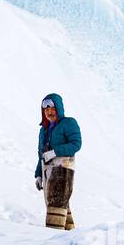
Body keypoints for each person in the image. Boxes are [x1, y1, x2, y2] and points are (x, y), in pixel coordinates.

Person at [35, 93, 81, 230]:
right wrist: (38, 175)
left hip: (63, 168)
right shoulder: (43, 130)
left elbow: (76, 144)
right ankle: (70, 235)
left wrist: (55, 152)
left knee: (56, 203)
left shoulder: (68, 123)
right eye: (46, 110)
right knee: (57, 203)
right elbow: (40, 155)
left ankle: (52, 236)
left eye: (52, 109)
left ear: (59, 108)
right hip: (47, 171)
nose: (49, 112)